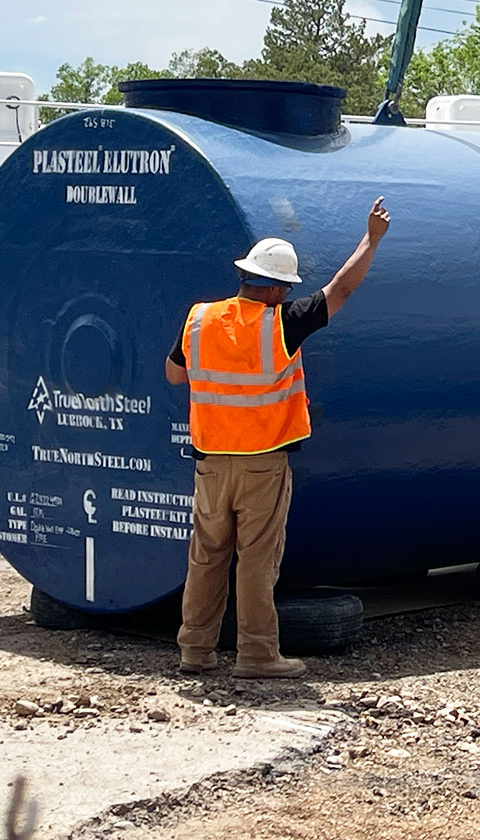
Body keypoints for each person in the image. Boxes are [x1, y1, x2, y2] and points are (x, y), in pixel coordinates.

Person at [165, 197, 391, 678]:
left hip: (210, 463)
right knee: (256, 561)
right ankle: (257, 655)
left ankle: (195, 652)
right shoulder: (282, 323)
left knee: (206, 557)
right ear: (276, 289)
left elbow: (173, 375)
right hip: (261, 464)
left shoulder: (200, 319)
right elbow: (341, 290)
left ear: (245, 278)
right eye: (286, 289)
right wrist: (370, 240)